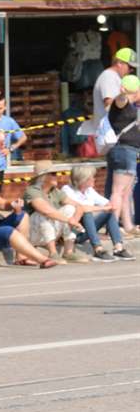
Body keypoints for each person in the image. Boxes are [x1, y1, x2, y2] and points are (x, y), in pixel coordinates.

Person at [22, 160, 88, 264]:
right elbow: (45, 210)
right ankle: (53, 253)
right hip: (32, 234)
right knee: (41, 214)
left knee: (70, 208)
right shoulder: (32, 190)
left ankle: (68, 252)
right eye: (53, 174)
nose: (57, 176)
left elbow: (79, 206)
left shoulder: (55, 191)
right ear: (43, 177)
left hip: (51, 231)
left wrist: (74, 220)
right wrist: (69, 220)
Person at [63, 165, 132, 261]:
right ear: (83, 179)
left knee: (109, 213)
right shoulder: (67, 190)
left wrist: (110, 206)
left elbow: (107, 203)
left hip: (86, 230)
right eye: (92, 177)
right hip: (74, 232)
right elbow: (83, 208)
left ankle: (118, 248)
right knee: (87, 213)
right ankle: (98, 249)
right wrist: (102, 208)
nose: (94, 179)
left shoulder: (89, 191)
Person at [105, 74, 140, 237]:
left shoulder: (130, 107)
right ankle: (112, 225)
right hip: (124, 150)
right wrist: (122, 93)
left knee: (125, 192)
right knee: (118, 191)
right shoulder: (123, 103)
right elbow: (119, 101)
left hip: (128, 151)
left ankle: (127, 225)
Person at [0, 191, 57, 269]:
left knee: (22, 215)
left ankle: (21, 257)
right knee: (8, 231)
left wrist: (15, 204)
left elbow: (4, 204)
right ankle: (42, 259)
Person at [92, 47, 136, 126]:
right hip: (109, 133)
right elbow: (109, 105)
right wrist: (134, 96)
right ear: (119, 63)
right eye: (130, 67)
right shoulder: (109, 76)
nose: (132, 70)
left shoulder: (115, 77)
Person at [0, 92, 25, 173]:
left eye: (0, 108)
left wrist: (11, 149)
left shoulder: (9, 121)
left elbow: (23, 137)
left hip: (1, 165)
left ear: (5, 107)